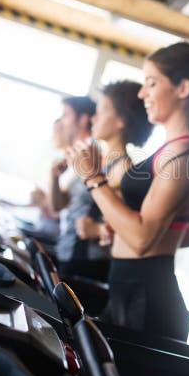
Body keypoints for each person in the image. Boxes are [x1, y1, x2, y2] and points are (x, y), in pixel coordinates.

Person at [67, 42, 189, 342]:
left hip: (146, 302)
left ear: (183, 89)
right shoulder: (170, 151)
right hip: (128, 289)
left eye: (151, 83)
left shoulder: (184, 156)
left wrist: (93, 178)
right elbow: (142, 228)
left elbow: (142, 239)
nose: (143, 94)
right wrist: (115, 230)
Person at [73, 80, 154, 251]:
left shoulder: (124, 169)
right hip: (69, 250)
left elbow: (124, 227)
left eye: (101, 112)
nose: (93, 118)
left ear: (121, 120)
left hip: (89, 261)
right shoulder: (95, 160)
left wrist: (97, 230)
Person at [49, 95, 111, 281]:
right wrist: (54, 178)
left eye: (66, 115)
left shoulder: (93, 155)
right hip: (68, 249)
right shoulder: (75, 155)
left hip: (84, 257)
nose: (61, 121)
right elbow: (59, 205)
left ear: (83, 119)